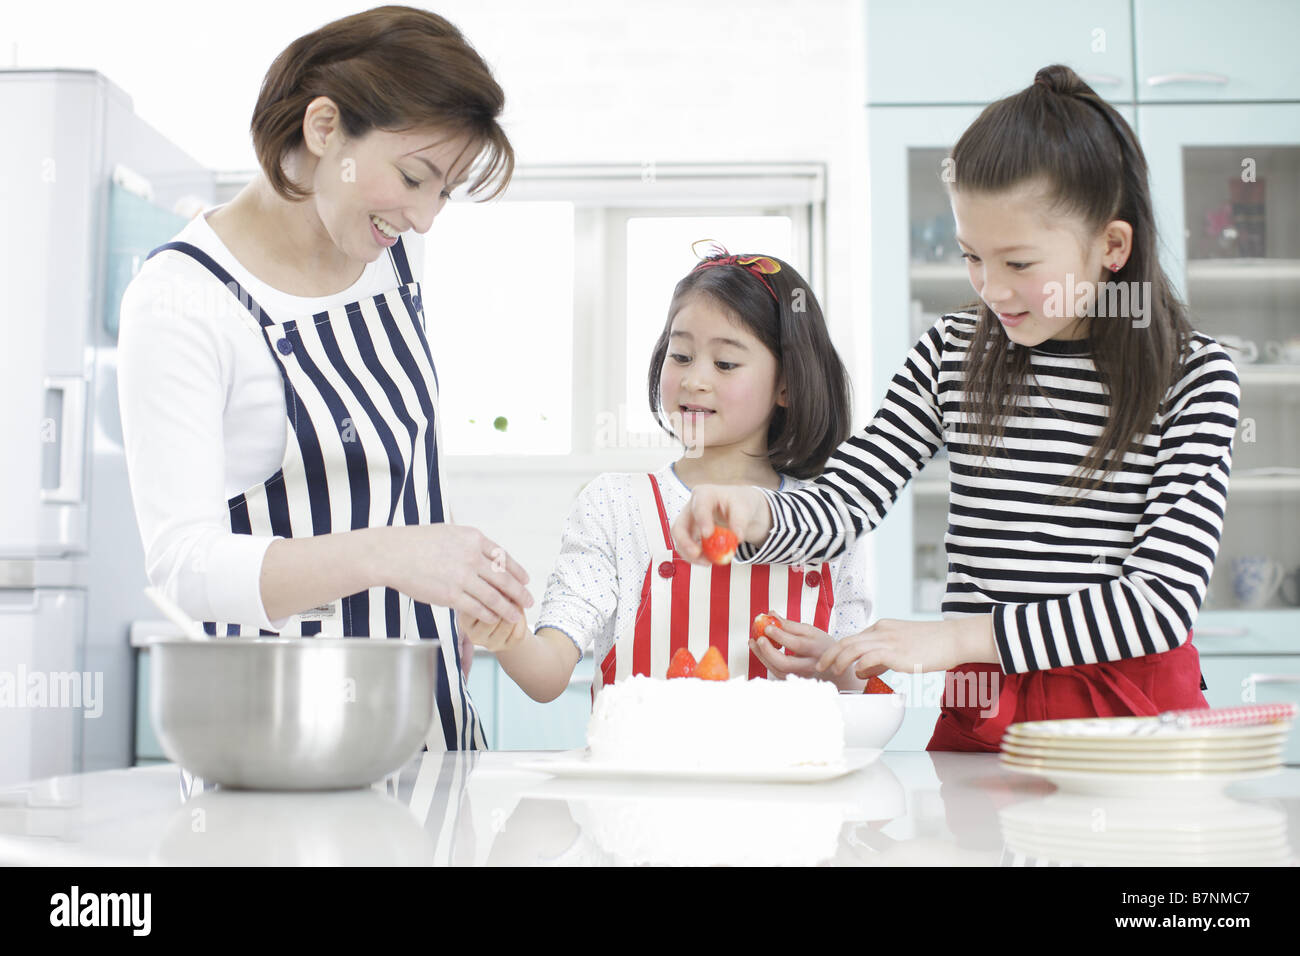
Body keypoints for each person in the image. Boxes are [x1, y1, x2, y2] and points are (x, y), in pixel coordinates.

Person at [672, 65, 1242, 751]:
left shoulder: (1194, 374)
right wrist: (757, 512)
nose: (991, 289)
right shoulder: (952, 351)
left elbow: (1158, 602)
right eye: (973, 256)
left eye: (1019, 263)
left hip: (1136, 711)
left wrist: (954, 638)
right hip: (989, 705)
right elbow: (848, 499)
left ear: (1112, 246)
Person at [117, 6, 532, 752]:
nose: (428, 217)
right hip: (278, 745)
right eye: (415, 178)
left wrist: (452, 591)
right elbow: (183, 566)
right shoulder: (184, 297)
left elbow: (386, 480)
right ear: (323, 129)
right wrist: (397, 556)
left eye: (445, 190)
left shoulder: (393, 257)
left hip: (428, 725)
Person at [459, 244, 873, 699]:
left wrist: (835, 666)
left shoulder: (827, 515)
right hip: (642, 772)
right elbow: (548, 674)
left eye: (725, 363)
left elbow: (862, 681)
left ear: (787, 385)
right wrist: (510, 635)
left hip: (792, 770)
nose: (695, 379)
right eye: (681, 356)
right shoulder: (616, 506)